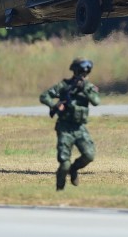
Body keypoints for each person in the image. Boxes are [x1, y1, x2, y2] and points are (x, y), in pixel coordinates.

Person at [40, 57, 101, 190]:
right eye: (80, 72)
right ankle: (60, 189)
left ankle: (74, 169)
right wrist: (55, 104)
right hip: (65, 127)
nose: (82, 75)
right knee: (64, 164)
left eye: (85, 73)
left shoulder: (89, 87)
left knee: (89, 155)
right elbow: (44, 96)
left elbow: (96, 101)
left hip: (80, 128)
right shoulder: (64, 85)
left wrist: (84, 88)